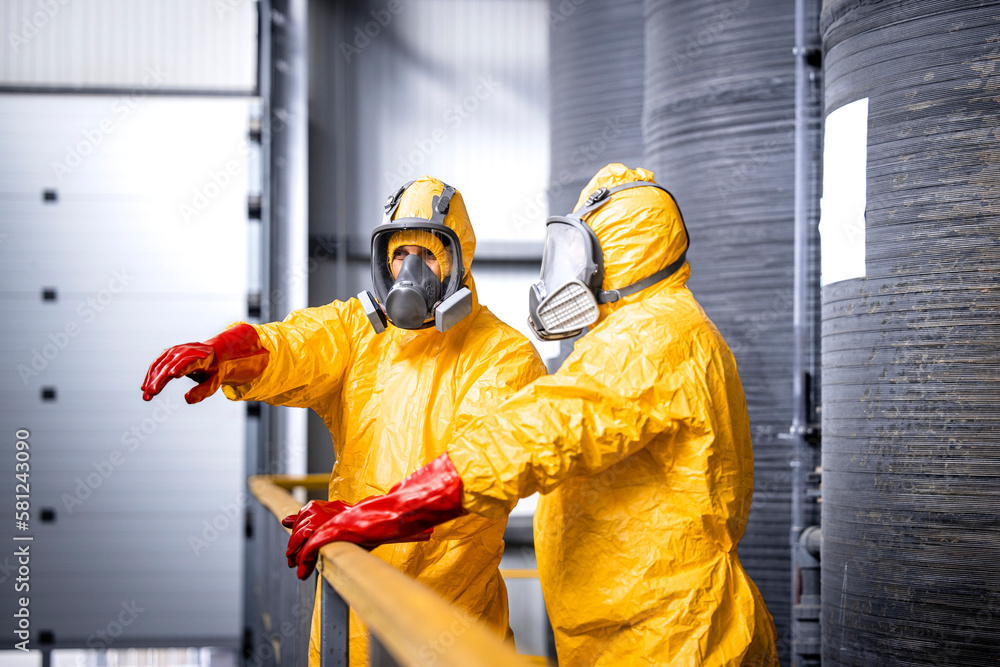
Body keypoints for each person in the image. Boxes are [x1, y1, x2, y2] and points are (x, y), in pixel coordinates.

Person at [285, 163, 781, 666]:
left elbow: (524, 441)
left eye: (583, 255)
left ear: (625, 256)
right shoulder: (659, 329)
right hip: (654, 630)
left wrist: (383, 513)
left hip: (674, 641)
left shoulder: (651, 341)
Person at [140, 176, 547, 667]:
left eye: (429, 255)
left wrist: (363, 518)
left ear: (459, 264)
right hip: (346, 623)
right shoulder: (360, 334)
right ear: (383, 261)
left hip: (451, 631)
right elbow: (298, 344)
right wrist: (225, 354)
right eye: (400, 255)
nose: (410, 271)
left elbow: (478, 479)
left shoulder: (502, 357)